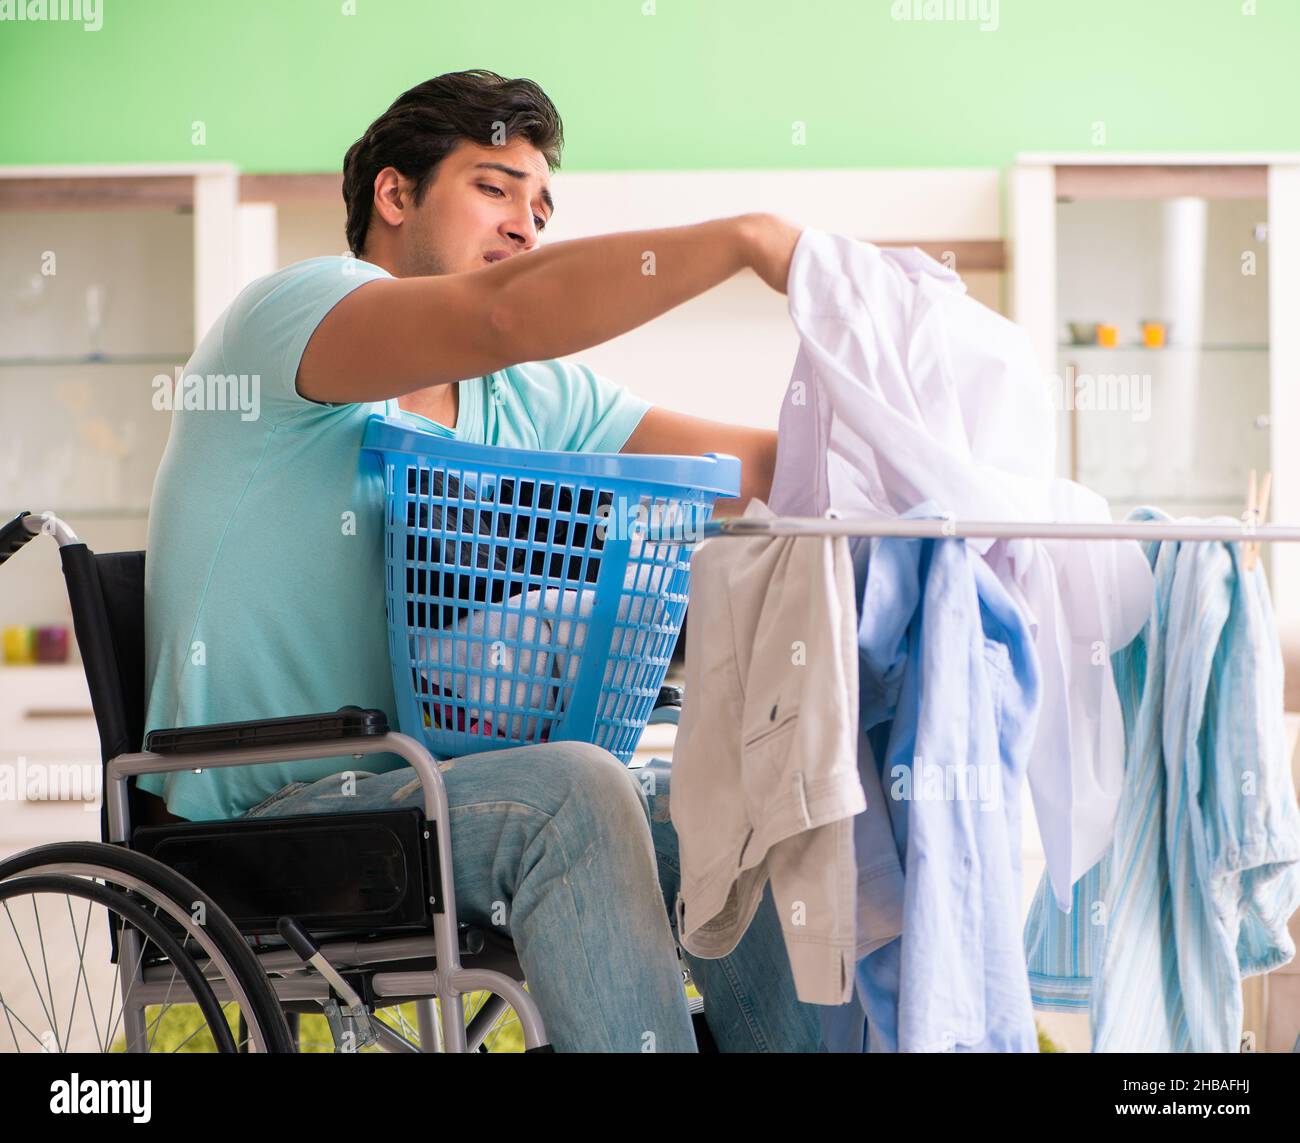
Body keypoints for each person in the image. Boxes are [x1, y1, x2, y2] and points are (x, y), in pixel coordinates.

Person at [139, 69, 814, 1052]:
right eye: (495, 187)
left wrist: (938, 464)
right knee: (578, 793)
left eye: (541, 207)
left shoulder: (519, 394)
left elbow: (750, 469)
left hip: (421, 789)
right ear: (395, 195)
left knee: (724, 800)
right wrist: (749, 240)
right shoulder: (297, 314)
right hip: (268, 816)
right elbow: (503, 310)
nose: (523, 223)